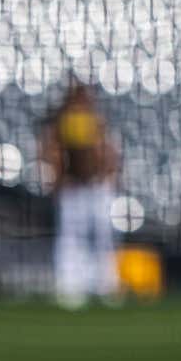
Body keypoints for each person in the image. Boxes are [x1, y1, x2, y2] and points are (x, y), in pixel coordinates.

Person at [40, 80, 120, 308]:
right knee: (70, 238)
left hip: (96, 187)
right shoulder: (63, 121)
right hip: (73, 188)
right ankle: (71, 286)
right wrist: (58, 180)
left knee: (102, 237)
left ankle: (105, 285)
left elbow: (107, 152)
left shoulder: (95, 120)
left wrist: (108, 177)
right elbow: (53, 152)